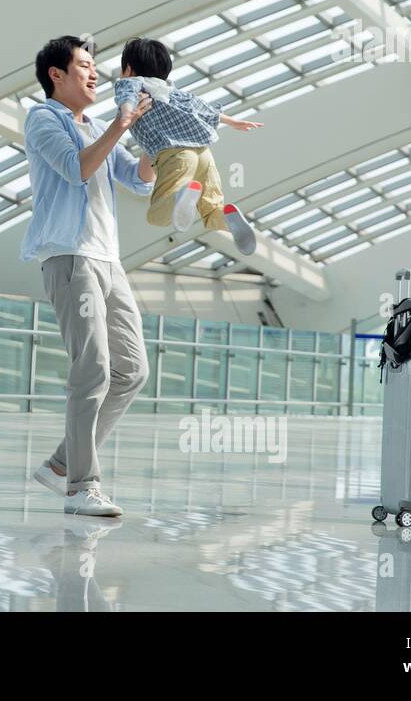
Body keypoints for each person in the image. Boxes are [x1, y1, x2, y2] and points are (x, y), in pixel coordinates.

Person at [19, 36, 155, 518]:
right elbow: (77, 168)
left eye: (96, 67)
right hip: (71, 256)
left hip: (109, 261)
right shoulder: (43, 119)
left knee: (131, 370)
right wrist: (120, 125)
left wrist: (157, 135)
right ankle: (81, 485)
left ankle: (61, 464)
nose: (95, 75)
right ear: (56, 75)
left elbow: (138, 178)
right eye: (83, 66)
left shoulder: (97, 125)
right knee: (93, 368)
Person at [113, 37, 262, 254]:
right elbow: (204, 109)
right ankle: (226, 220)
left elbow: (125, 94)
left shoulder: (133, 85)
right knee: (211, 210)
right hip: (203, 154)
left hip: (175, 157)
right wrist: (233, 122)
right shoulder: (174, 92)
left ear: (128, 69)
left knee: (157, 215)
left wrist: (127, 113)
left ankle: (178, 196)